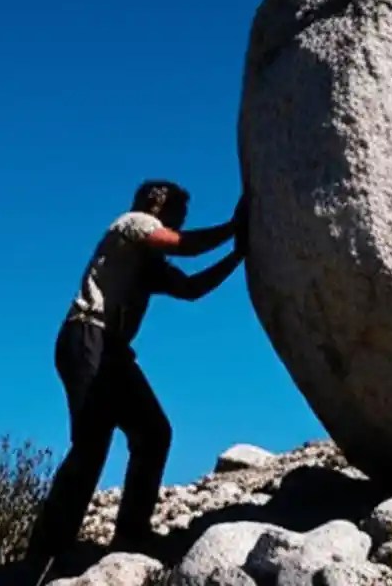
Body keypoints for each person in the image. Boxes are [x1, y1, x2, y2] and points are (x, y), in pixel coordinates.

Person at [24, 180, 248, 584]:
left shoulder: (149, 264)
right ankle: (46, 551)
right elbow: (185, 245)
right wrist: (235, 228)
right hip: (85, 335)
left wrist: (237, 255)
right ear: (156, 206)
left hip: (111, 350)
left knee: (154, 432)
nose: (181, 220)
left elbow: (191, 288)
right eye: (177, 212)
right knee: (91, 442)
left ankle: (130, 535)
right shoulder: (132, 224)